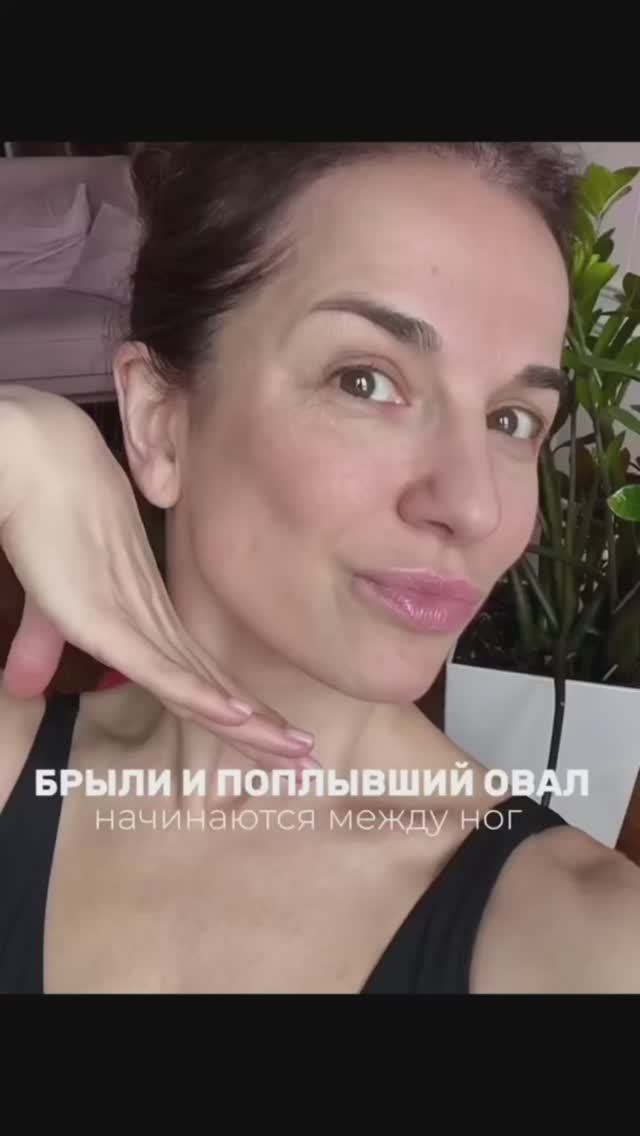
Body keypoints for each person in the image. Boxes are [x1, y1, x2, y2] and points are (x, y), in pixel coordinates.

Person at [1, 141, 639, 995]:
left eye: (514, 420)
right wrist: (18, 439)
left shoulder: (589, 943)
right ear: (159, 423)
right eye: (365, 381)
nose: (474, 506)